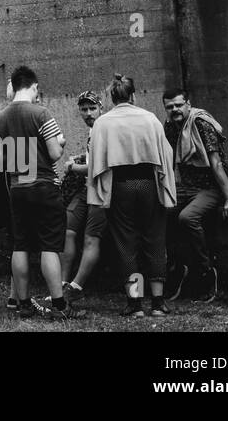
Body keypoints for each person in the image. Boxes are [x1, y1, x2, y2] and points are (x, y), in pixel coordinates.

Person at [88, 74, 176, 317]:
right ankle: (158, 303)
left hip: (120, 186)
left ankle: (135, 304)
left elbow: (96, 160)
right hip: (149, 183)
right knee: (155, 240)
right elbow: (166, 155)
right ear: (134, 95)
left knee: (126, 243)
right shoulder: (150, 119)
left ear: (111, 97)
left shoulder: (103, 123)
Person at [0, 65, 73, 319]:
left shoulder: (0, 118)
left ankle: (24, 303)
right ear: (34, 86)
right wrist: (60, 144)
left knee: (21, 245)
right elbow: (54, 153)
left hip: (18, 188)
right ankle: (59, 306)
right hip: (43, 186)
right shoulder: (41, 113)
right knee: (49, 246)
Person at [163, 88, 228, 301]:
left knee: (187, 217)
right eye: (169, 106)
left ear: (188, 103)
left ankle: (206, 271)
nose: (174, 109)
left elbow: (216, 163)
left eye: (178, 105)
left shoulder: (200, 123)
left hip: (211, 187)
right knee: (163, 211)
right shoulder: (170, 125)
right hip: (186, 186)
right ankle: (178, 268)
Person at [59, 90, 110, 302]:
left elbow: (100, 166)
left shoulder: (105, 128)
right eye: (84, 109)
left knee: (91, 238)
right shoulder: (93, 130)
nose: (88, 113)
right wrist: (81, 158)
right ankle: (61, 283)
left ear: (101, 108)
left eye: (92, 108)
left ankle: (76, 287)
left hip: (102, 190)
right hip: (87, 188)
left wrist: (73, 166)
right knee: (67, 230)